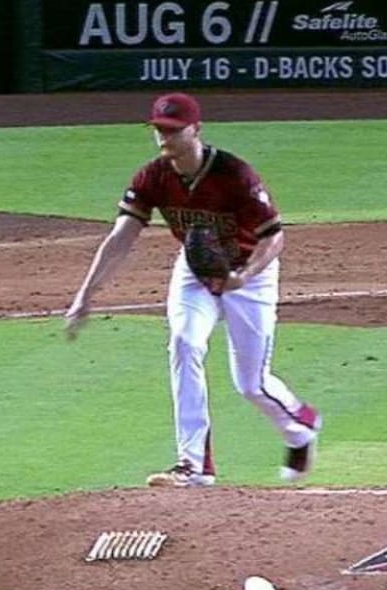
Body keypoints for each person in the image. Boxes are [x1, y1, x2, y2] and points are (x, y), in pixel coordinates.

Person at [63, 92, 322, 488]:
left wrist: (246, 275)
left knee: (251, 384)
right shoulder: (153, 177)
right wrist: (85, 295)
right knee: (184, 344)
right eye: (158, 130)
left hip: (249, 276)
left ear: (195, 130)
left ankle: (300, 427)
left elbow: (275, 237)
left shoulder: (234, 174)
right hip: (195, 271)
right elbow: (121, 237)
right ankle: (193, 466)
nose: (163, 137)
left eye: (172, 130)